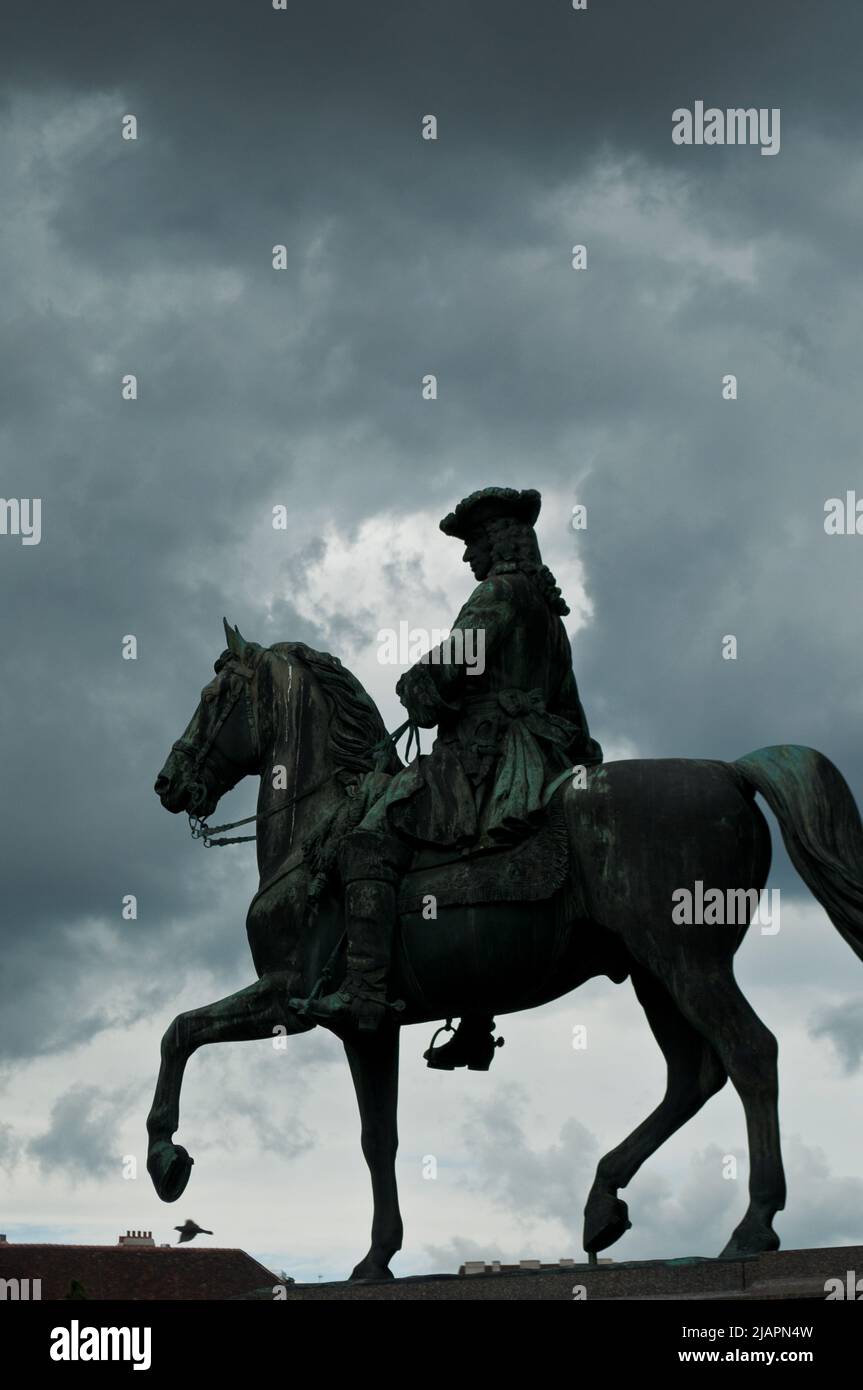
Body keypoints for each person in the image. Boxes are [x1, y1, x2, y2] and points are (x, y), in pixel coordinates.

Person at [291, 487, 602, 1064]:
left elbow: (458, 661)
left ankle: (364, 990)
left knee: (368, 841)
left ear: (495, 541)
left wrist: (419, 682)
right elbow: (570, 706)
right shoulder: (547, 613)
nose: (466, 558)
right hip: (548, 753)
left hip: (490, 757)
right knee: (462, 866)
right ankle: (475, 1025)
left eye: (471, 544)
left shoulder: (498, 594)